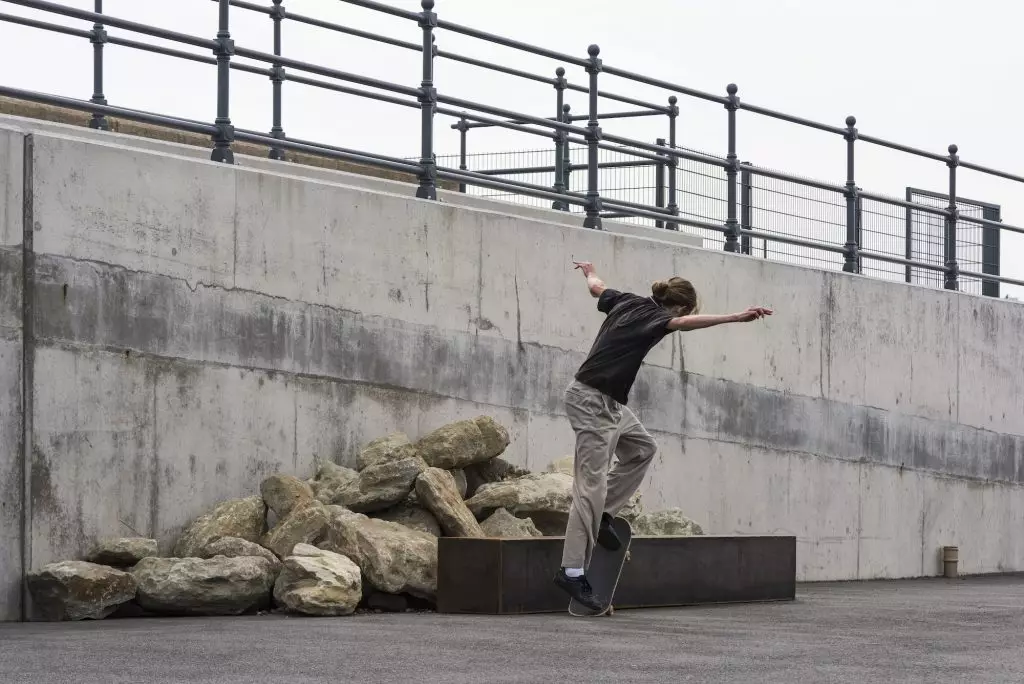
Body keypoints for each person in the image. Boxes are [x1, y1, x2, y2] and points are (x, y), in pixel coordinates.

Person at [553, 259, 773, 610]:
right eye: (685, 310)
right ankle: (572, 571)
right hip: (590, 403)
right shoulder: (657, 319)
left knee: (642, 448)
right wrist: (734, 317)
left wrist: (590, 270)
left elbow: (597, 287)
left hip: (610, 404)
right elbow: (684, 324)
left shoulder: (625, 300)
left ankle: (606, 515)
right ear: (681, 305)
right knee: (589, 488)